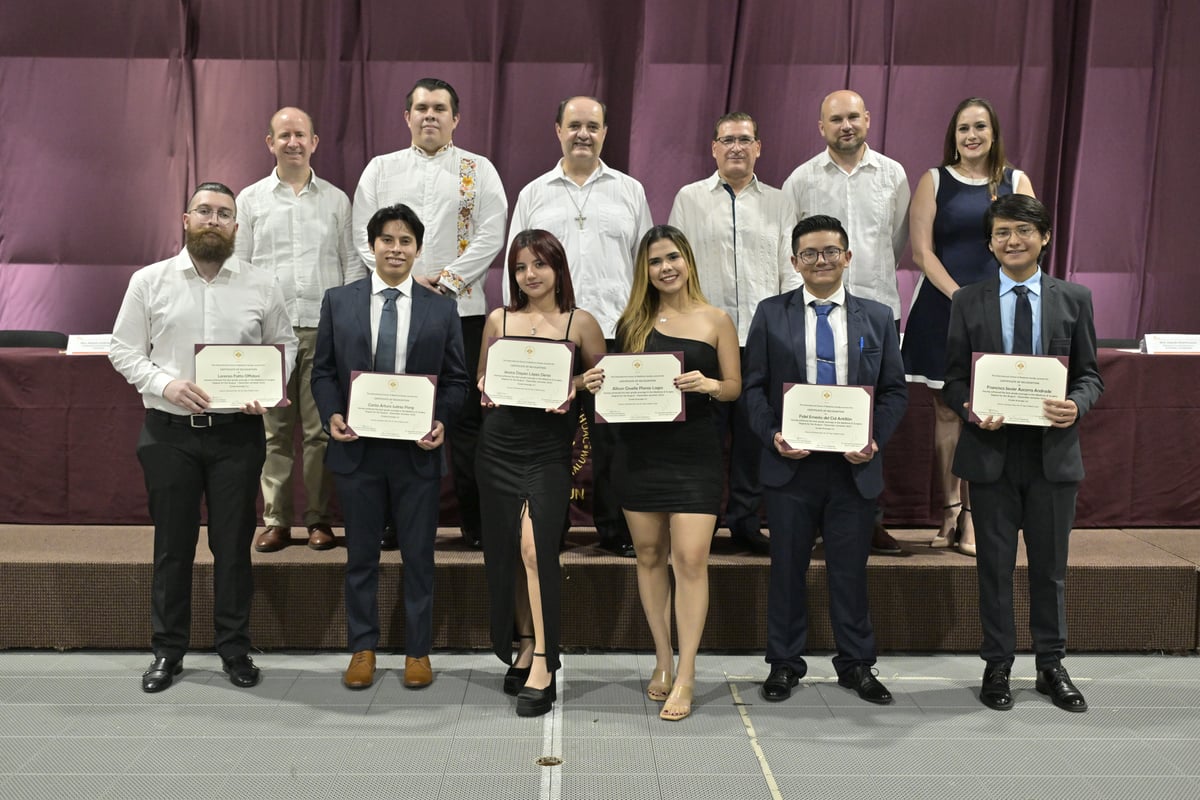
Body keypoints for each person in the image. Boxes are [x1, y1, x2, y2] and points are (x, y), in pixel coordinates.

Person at [109, 182, 298, 693]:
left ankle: (234, 649)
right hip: (168, 433)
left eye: (224, 214)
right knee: (173, 547)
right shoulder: (149, 282)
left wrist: (270, 386)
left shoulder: (262, 284)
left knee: (233, 546)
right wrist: (166, 383)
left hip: (238, 433)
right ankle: (167, 651)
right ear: (185, 220)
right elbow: (123, 351)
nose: (213, 220)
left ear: (237, 226)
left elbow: (284, 344)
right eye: (204, 211)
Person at [943, 194, 1102, 712]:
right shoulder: (968, 299)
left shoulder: (1074, 298)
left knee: (1050, 567)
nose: (1014, 241)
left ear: (1045, 237)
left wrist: (1076, 406)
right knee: (993, 564)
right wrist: (971, 408)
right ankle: (998, 665)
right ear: (990, 243)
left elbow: (1089, 376)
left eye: (1024, 231)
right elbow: (954, 379)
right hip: (991, 450)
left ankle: (1051, 665)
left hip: (1052, 454)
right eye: (1003, 233)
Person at [743, 215, 907, 705]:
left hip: (854, 466)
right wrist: (772, 434)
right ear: (794, 261)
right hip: (791, 464)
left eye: (831, 252)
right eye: (810, 253)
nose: (821, 261)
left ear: (848, 257)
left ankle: (856, 666)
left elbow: (895, 392)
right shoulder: (771, 313)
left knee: (849, 571)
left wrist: (873, 439)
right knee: (788, 569)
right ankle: (784, 664)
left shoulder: (877, 317)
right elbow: (753, 389)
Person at [585, 225, 741, 721]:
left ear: (688, 260)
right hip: (639, 454)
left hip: (695, 453)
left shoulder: (717, 320)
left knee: (691, 559)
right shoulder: (631, 321)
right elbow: (619, 389)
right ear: (644, 271)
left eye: (673, 257)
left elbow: (735, 387)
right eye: (655, 262)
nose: (665, 267)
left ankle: (688, 673)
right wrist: (596, 383)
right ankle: (662, 661)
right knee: (649, 556)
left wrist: (709, 384)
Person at [311, 204, 469, 691]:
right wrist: (332, 413)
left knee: (419, 555)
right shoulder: (339, 301)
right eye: (386, 240)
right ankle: (363, 647)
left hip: (416, 451)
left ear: (418, 249)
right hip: (358, 449)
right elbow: (322, 372)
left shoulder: (441, 307)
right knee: (361, 555)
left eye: (405, 241)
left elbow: (457, 380)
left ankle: (417, 651)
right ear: (371, 246)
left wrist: (442, 420)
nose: (395, 249)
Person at [353, 77, 507, 549]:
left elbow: (491, 232)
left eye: (440, 108)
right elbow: (363, 235)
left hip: (460, 310)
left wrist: (444, 281)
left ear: (456, 118)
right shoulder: (380, 169)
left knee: (464, 423)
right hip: (395, 309)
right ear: (407, 117)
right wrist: (404, 280)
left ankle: (477, 526)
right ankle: (392, 525)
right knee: (396, 412)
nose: (430, 116)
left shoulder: (477, 170)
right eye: (421, 107)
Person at [506, 95, 653, 558]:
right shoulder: (534, 193)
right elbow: (517, 264)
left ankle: (614, 530)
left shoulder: (630, 191)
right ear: (558, 130)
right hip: (549, 335)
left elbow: (645, 266)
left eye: (592, 126)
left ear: (605, 132)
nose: (583, 134)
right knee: (552, 438)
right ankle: (550, 527)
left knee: (614, 438)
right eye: (574, 125)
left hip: (615, 332)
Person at [476, 230, 606, 717]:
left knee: (536, 551)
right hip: (498, 448)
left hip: (548, 452)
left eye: (540, 265)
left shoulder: (581, 322)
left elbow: (602, 387)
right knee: (509, 551)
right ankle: (526, 643)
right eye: (520, 267)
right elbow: (483, 386)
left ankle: (547, 662)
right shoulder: (498, 319)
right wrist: (488, 385)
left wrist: (580, 384)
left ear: (558, 268)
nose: (530, 275)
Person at [902, 97, 1035, 556]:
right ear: (953, 136)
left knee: (987, 414)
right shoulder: (933, 180)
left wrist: (990, 302)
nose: (972, 135)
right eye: (963, 128)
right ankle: (950, 510)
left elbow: (1027, 245)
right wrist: (962, 297)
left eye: (980, 126)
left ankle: (976, 518)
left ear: (994, 132)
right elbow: (921, 252)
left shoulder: (1015, 181)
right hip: (943, 307)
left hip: (1000, 313)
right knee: (946, 412)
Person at [782, 90, 911, 555]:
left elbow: (897, 240)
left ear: (868, 119)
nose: (846, 125)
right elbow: (791, 244)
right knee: (819, 407)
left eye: (853, 116)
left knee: (872, 414)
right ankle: (816, 518)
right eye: (836, 119)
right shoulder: (802, 179)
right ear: (821, 127)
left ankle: (868, 518)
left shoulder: (893, 175)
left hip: (876, 310)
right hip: (815, 308)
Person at [667, 112, 796, 555]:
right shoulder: (689, 198)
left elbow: (790, 269)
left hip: (762, 337)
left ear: (759, 146)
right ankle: (702, 519)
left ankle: (744, 520)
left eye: (745, 140)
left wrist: (786, 326)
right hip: (705, 336)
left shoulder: (781, 202)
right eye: (727, 140)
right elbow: (675, 267)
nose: (736, 147)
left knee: (754, 434)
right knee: (705, 434)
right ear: (714, 148)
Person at [234, 106, 356, 553]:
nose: (292, 142)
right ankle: (277, 521)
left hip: (324, 331)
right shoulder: (249, 201)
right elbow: (239, 267)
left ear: (314, 142)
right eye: (283, 135)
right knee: (274, 433)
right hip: (270, 337)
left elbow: (352, 266)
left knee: (322, 431)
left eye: (300, 134)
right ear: (270, 143)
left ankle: (319, 520)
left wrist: (348, 327)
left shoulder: (337, 200)